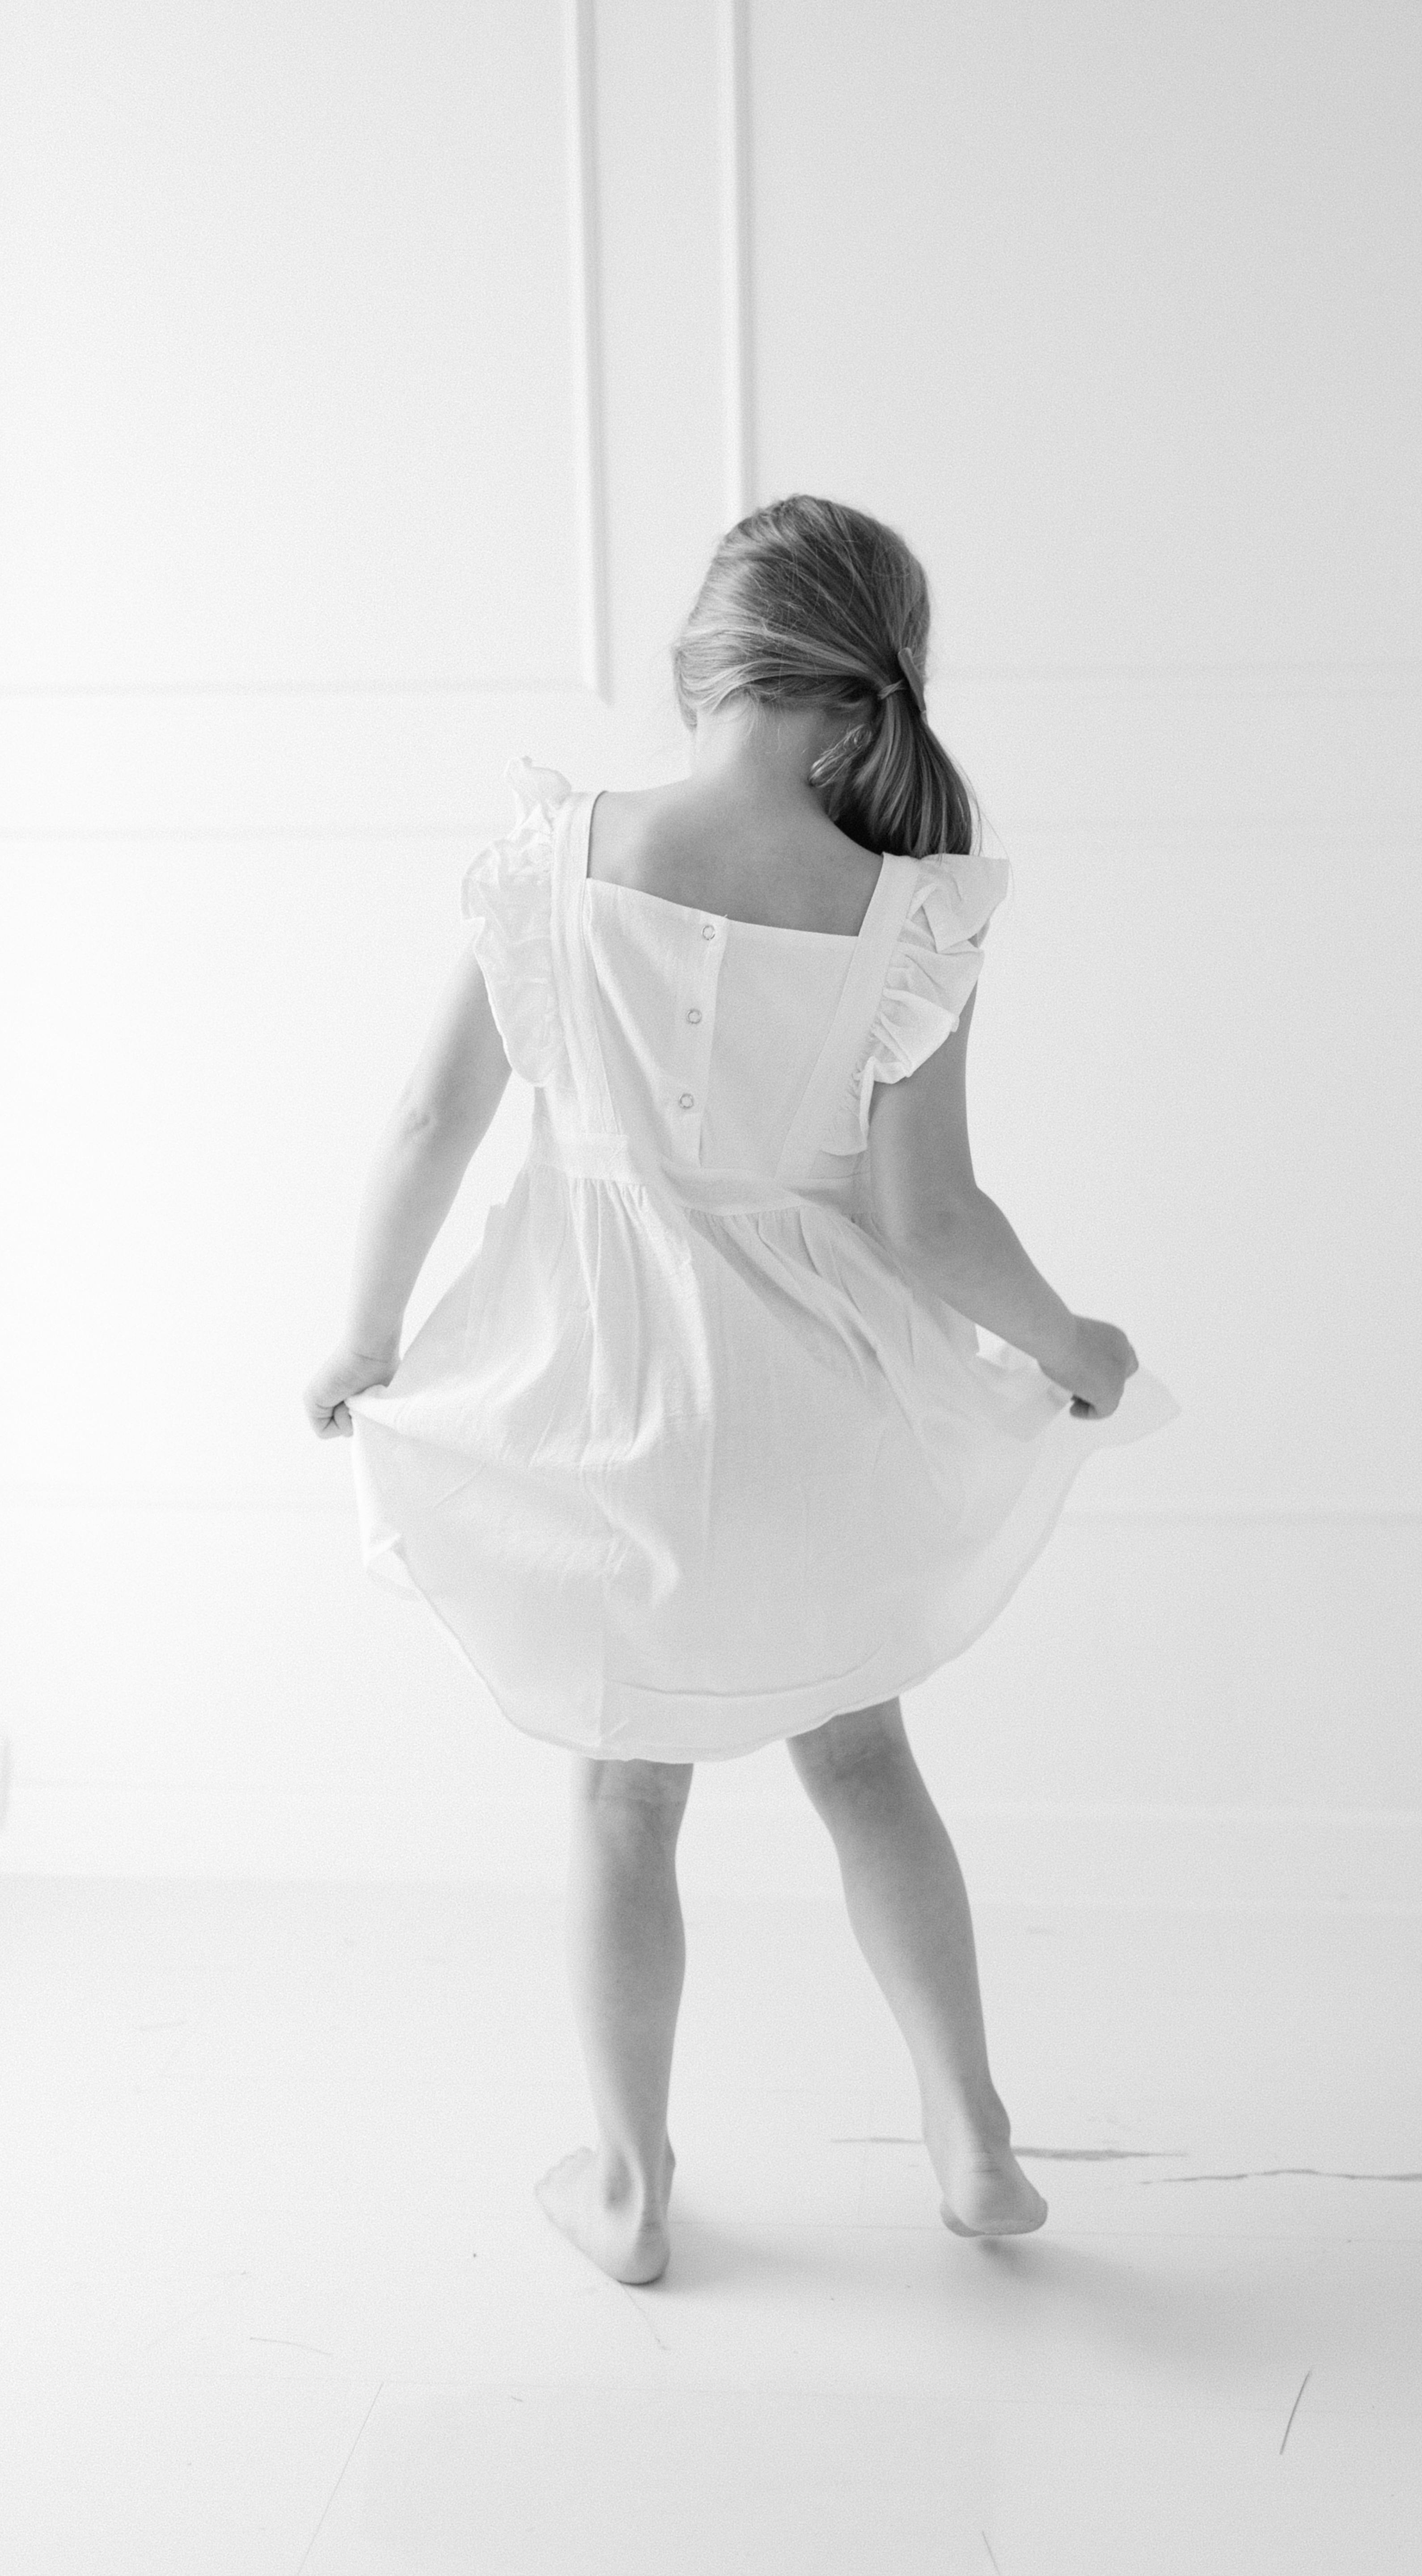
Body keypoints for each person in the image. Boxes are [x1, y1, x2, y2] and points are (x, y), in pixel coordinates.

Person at [302, 495, 1178, 2286]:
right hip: (816, 1414)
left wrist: (364, 1334)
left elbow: (426, 1125)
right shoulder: (906, 912)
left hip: (614, 1419)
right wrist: (1076, 1345)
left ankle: (627, 2188)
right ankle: (975, 2138)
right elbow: (936, 1220)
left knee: (628, 1800)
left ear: (707, 650)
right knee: (864, 1763)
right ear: (867, 691)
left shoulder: (553, 862)